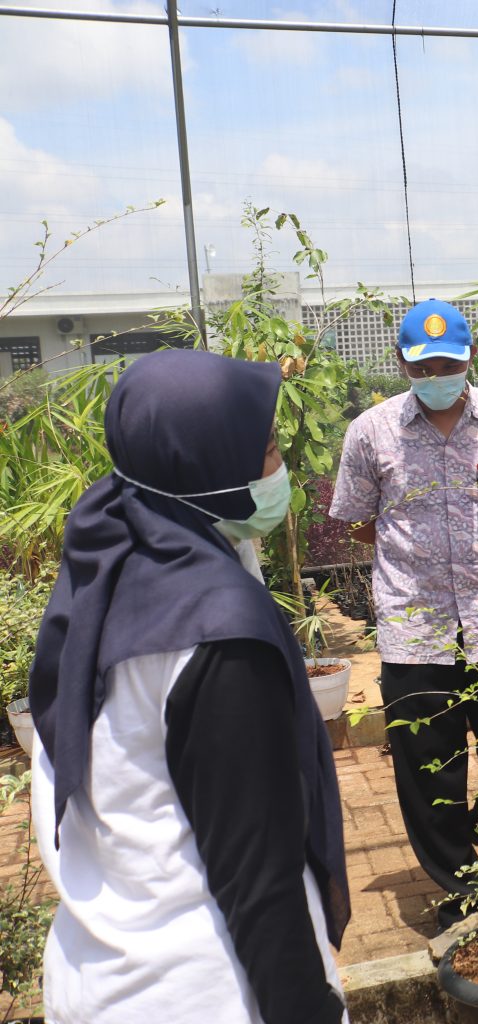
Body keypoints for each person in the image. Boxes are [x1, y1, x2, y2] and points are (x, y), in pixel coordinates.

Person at [28, 349, 349, 1024]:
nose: (280, 468)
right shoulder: (218, 636)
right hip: (208, 988)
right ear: (206, 464)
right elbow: (257, 881)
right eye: (263, 449)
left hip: (102, 971)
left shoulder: (106, 563)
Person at [330, 298, 478, 931]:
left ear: (470, 356)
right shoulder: (371, 432)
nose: (435, 377)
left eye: (447, 364)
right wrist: (414, 554)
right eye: (422, 367)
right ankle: (457, 879)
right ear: (401, 362)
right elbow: (359, 521)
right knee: (429, 764)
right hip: (414, 627)